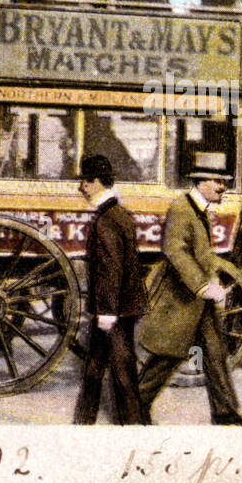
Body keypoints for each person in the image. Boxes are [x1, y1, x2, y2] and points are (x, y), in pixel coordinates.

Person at [137, 154, 242, 426]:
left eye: (224, 182)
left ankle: (225, 413)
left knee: (215, 355)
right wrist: (202, 286)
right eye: (217, 182)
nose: (223, 187)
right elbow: (175, 252)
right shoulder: (182, 209)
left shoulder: (200, 211)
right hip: (182, 299)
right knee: (166, 357)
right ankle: (135, 405)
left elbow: (201, 256)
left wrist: (213, 284)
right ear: (200, 182)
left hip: (200, 301)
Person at [73, 156, 146, 425]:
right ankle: (83, 424)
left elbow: (110, 270)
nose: (81, 187)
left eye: (84, 181)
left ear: (96, 183)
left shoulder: (107, 220)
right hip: (118, 307)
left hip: (114, 310)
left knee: (122, 372)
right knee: (94, 370)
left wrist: (106, 311)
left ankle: (133, 427)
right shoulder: (119, 214)